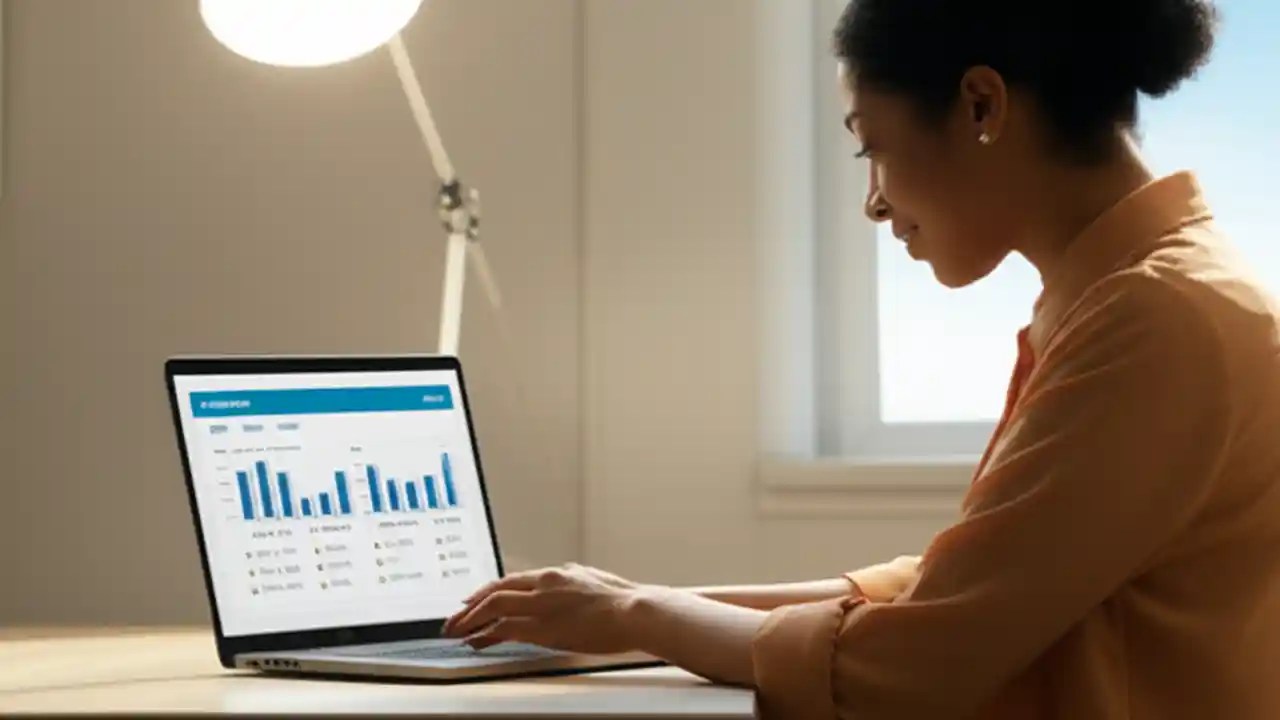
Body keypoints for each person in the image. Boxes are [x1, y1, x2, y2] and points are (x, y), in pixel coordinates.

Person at [445, 0, 1280, 716]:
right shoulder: (1151, 294)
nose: (874, 202)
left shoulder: (1155, 321)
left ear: (982, 105)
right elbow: (958, 585)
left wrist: (637, 615)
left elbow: (914, 662)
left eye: (870, 147)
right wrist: (625, 606)